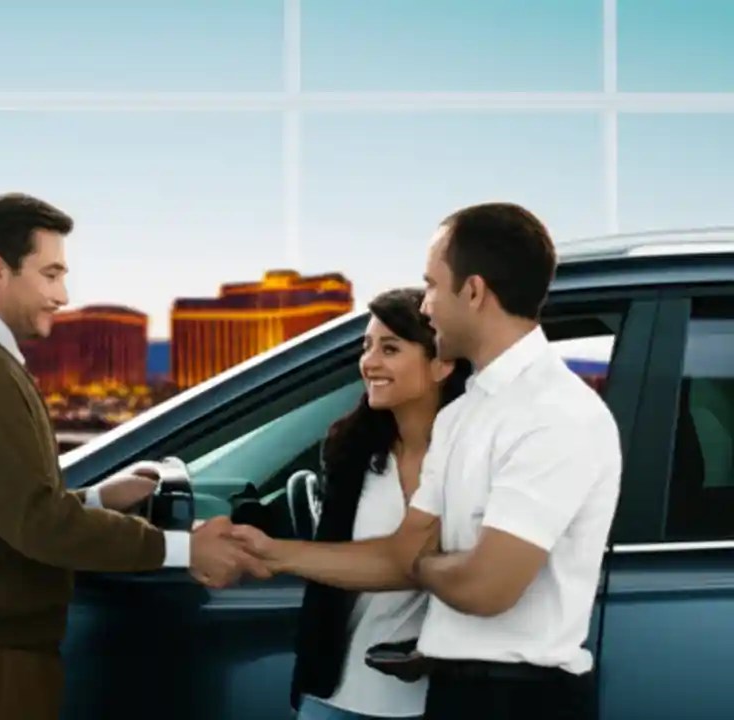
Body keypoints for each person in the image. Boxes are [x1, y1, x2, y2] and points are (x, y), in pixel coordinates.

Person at [229, 202, 622, 720]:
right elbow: (401, 556)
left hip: (524, 701)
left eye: (432, 284)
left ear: (473, 291)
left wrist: (420, 565)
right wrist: (272, 553)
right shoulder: (462, 417)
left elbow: (486, 586)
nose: (428, 305)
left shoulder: (556, 413)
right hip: (454, 696)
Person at [0, 192, 266, 720]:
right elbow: (36, 525)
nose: (62, 296)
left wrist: (95, 499)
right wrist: (185, 549)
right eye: (50, 274)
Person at [290, 287, 471, 720]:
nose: (369, 362)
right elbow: (328, 577)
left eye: (389, 348)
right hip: (340, 694)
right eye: (367, 346)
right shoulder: (350, 451)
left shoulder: (477, 454)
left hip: (443, 699)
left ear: (442, 362)